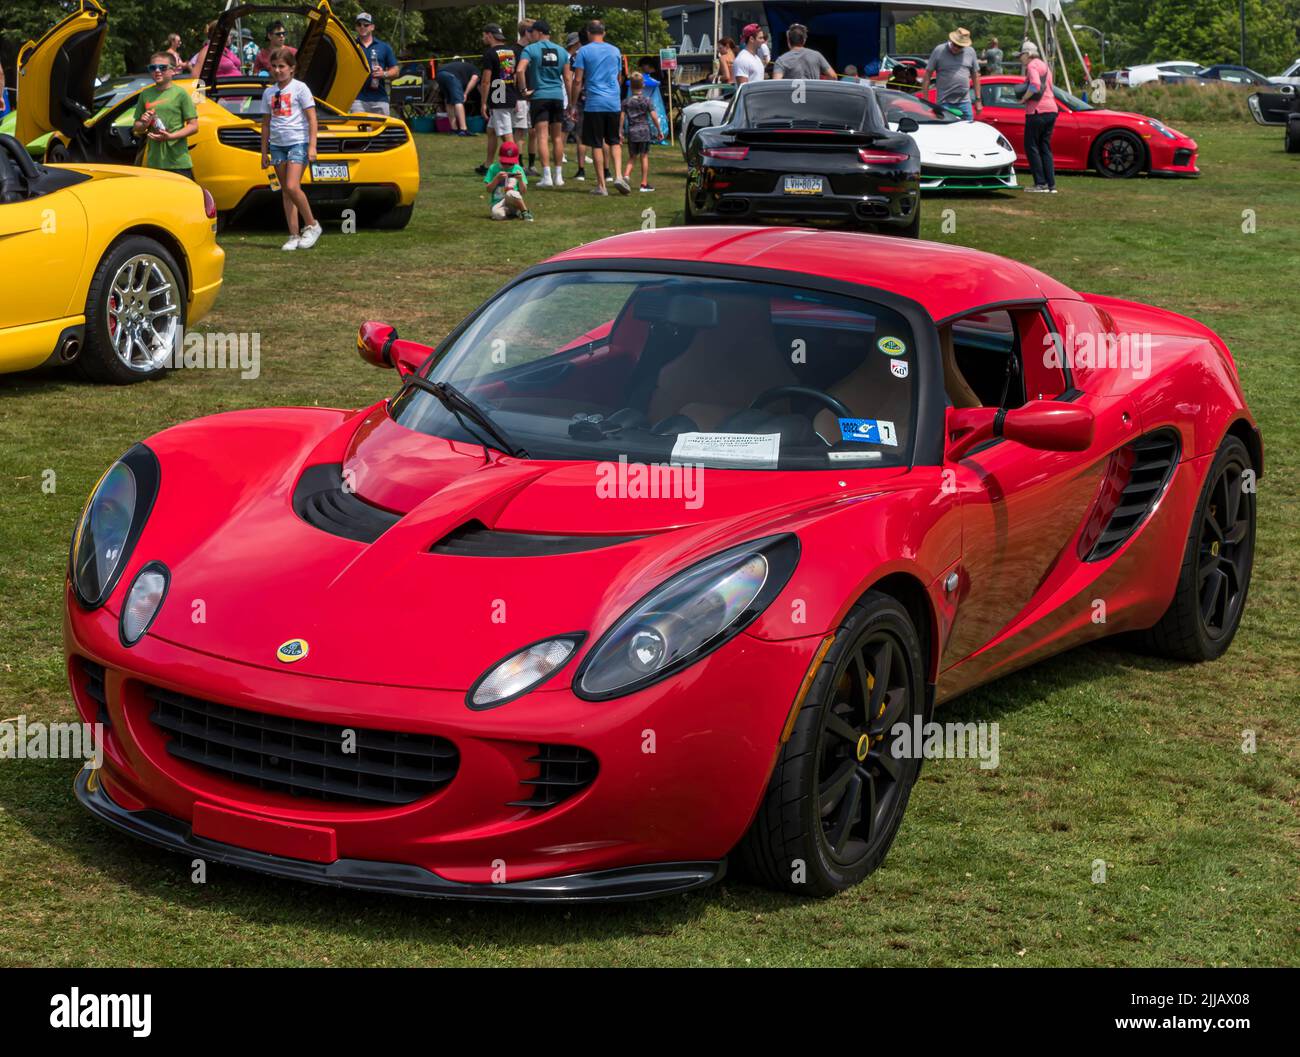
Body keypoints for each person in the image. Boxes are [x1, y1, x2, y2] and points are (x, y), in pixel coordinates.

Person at [259, 48, 322, 251]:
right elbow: (266, 124)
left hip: (298, 142)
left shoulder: (300, 88)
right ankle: (293, 234)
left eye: (282, 66)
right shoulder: (269, 92)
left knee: (293, 186)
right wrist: (264, 152)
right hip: (277, 146)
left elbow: (312, 118)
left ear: (292, 69)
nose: (278, 71)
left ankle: (312, 225)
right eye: (274, 66)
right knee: (286, 191)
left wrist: (312, 146)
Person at [572, 20, 629, 196]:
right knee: (614, 141)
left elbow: (578, 80)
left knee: (596, 143)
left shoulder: (584, 51)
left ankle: (601, 186)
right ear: (603, 32)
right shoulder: (615, 51)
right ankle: (619, 176)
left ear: (589, 33)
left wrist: (573, 104)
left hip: (594, 103)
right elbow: (619, 78)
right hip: (613, 102)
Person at [517, 20, 571, 188]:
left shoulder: (530, 49)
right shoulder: (562, 51)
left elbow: (519, 70)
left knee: (541, 136)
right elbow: (568, 78)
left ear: (539, 32)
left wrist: (524, 90)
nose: (530, 35)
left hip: (539, 97)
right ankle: (559, 176)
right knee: (557, 138)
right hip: (557, 97)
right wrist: (571, 102)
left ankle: (546, 176)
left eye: (532, 32)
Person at [131, 52, 199, 179]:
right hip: (155, 164)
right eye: (152, 68)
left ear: (173, 71)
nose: (157, 71)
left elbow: (194, 126)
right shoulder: (145, 94)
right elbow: (137, 127)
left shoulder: (181, 94)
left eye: (162, 68)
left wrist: (171, 136)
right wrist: (144, 123)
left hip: (178, 163)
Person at [477, 23, 518, 176]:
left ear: (489, 35)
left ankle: (515, 167)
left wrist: (483, 103)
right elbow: (514, 75)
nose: (483, 38)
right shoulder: (512, 51)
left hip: (498, 94)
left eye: (484, 35)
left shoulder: (490, 53)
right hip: (509, 92)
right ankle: (488, 164)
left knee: (506, 134)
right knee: (491, 130)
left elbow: (486, 81)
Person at [1019, 41, 1058, 193]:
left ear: (1027, 54)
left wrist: (1023, 98)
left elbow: (1035, 85)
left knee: (1031, 147)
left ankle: (1040, 184)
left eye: (1021, 55)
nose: (1020, 58)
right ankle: (1051, 185)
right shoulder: (1044, 65)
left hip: (1037, 111)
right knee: (1045, 148)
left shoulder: (1032, 65)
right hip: (1051, 109)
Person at [920, 27, 982, 121]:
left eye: (960, 46)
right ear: (951, 40)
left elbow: (975, 76)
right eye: (955, 44)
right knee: (947, 130)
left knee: (968, 129)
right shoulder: (939, 50)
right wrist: (925, 99)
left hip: (964, 101)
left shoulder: (970, 52)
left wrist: (978, 100)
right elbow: (928, 74)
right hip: (944, 102)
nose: (956, 48)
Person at [620, 72, 663, 193]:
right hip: (644, 131)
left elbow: (622, 118)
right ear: (643, 85)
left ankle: (626, 176)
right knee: (644, 156)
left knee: (632, 156)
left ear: (630, 86)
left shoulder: (626, 102)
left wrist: (620, 131)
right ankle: (643, 184)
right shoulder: (647, 101)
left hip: (632, 132)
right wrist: (659, 130)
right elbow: (654, 116)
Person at [352, 13, 398, 115]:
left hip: (380, 98)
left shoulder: (384, 47)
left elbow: (396, 71)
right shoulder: (351, 46)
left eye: (366, 24)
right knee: (359, 130)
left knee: (382, 130)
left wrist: (384, 74)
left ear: (372, 27)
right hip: (357, 99)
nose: (362, 27)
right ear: (356, 27)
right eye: (359, 24)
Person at [484, 141, 532, 221]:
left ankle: (524, 211)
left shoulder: (518, 169)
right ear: (500, 158)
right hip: (498, 202)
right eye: (504, 162)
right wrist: (497, 179)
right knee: (498, 215)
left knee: (510, 193)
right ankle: (510, 213)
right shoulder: (493, 168)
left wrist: (520, 180)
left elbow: (523, 191)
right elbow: (488, 190)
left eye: (510, 163)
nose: (507, 165)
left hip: (513, 201)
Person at [436, 58, 479, 135]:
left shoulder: (461, 66)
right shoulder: (475, 69)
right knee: (458, 101)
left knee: (449, 101)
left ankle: (454, 129)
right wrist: (465, 93)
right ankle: (463, 129)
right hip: (451, 75)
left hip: (440, 74)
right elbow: (474, 79)